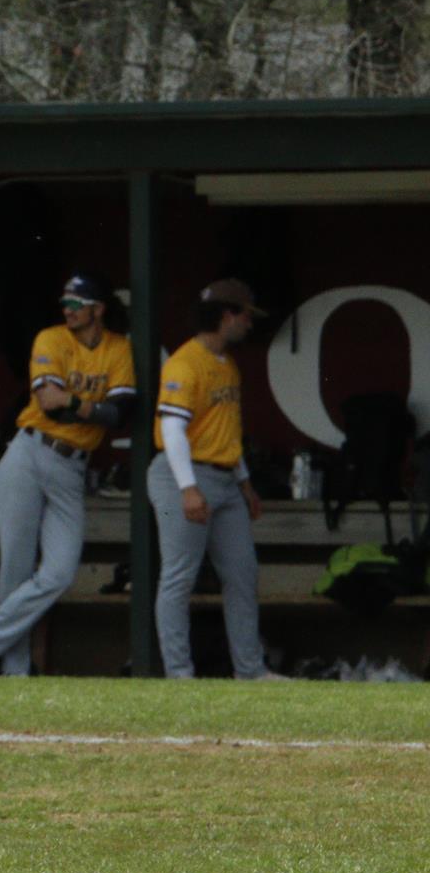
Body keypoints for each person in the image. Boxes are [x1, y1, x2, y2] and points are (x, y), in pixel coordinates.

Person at [0, 272, 135, 676]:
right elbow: (50, 404)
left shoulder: (118, 348)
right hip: (30, 453)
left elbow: (120, 413)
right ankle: (12, 670)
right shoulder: (50, 338)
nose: (68, 310)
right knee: (15, 568)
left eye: (76, 303)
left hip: (73, 466)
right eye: (65, 302)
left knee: (61, 572)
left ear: (98, 309)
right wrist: (90, 407)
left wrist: (75, 402)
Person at [148, 279, 284, 680]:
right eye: (245, 316)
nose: (249, 324)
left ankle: (250, 671)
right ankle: (179, 676)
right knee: (179, 577)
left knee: (242, 574)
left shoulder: (227, 364)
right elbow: (172, 430)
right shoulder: (184, 362)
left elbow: (226, 432)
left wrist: (245, 483)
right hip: (181, 474)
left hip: (224, 479)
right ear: (227, 315)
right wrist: (188, 488)